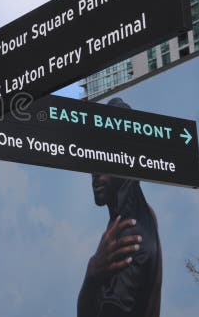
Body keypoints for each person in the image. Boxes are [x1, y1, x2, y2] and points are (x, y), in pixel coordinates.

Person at [77, 97, 162, 317]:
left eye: (104, 160)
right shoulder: (144, 215)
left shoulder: (127, 235)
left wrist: (91, 275)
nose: (95, 174)